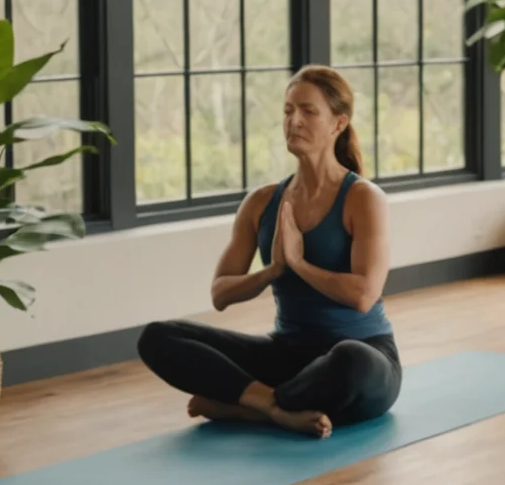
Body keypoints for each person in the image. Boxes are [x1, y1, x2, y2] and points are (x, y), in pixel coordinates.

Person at [137, 66, 401, 438]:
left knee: (350, 359)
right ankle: (273, 406)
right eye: (288, 110)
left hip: (363, 357)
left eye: (308, 112)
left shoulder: (363, 198)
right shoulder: (261, 202)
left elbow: (363, 295)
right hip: (287, 355)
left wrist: (298, 263)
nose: (294, 121)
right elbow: (220, 294)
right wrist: (273, 270)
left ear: (338, 124)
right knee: (158, 336)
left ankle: (246, 408)